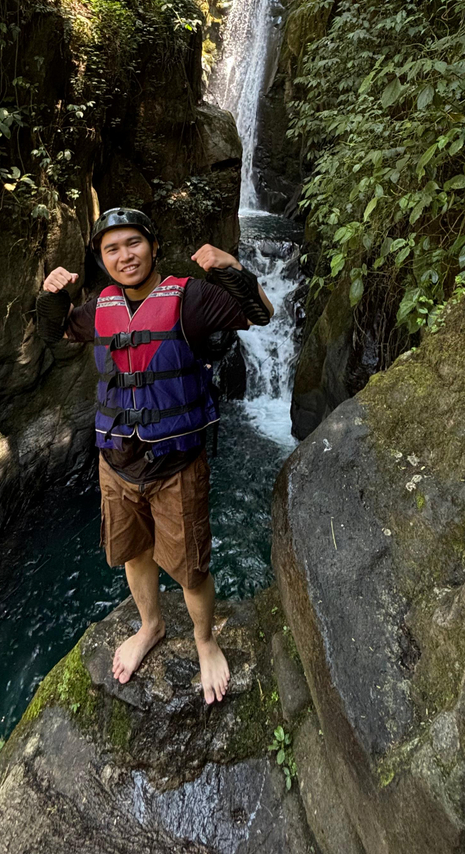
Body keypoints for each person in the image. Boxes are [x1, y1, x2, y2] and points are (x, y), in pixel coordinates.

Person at [37, 206, 273, 705]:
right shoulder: (99, 307)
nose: (126, 256)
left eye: (134, 244)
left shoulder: (189, 299)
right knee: (133, 552)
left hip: (175, 468)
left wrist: (231, 267)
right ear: (101, 261)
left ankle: (205, 641)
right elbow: (55, 331)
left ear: (153, 246)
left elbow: (261, 313)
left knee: (190, 569)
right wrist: (51, 295)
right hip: (116, 464)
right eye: (112, 249)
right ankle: (150, 626)